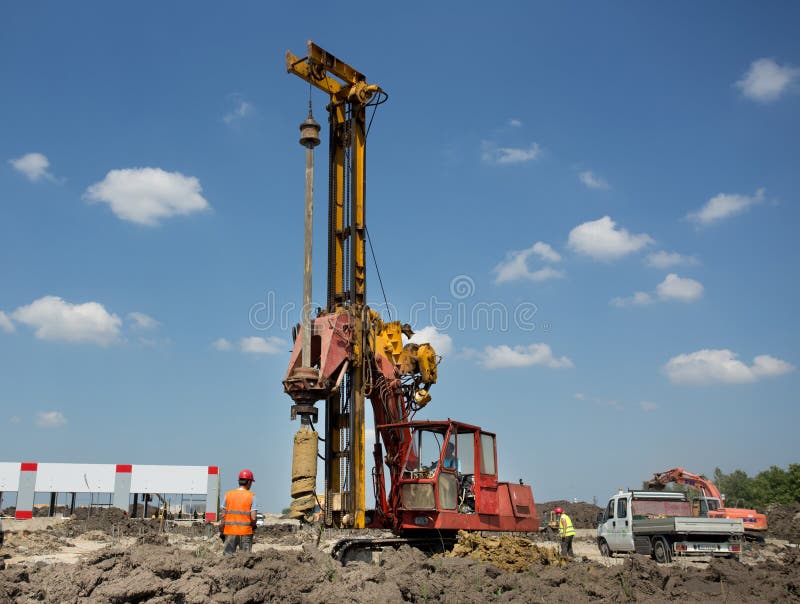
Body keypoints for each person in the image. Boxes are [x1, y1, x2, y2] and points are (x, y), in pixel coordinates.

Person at [220, 469, 258, 554]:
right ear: (248, 482)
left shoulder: (228, 495)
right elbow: (253, 517)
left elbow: (223, 516)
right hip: (245, 533)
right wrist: (253, 526)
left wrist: (222, 530)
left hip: (229, 532)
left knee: (227, 558)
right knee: (245, 559)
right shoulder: (251, 496)